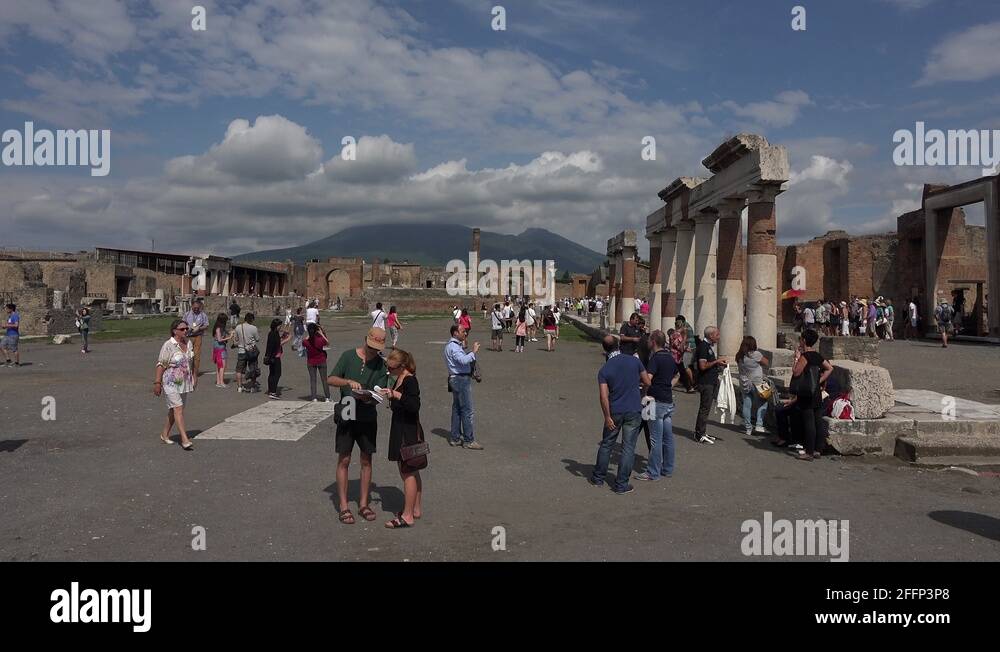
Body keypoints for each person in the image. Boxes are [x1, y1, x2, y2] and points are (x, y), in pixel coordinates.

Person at [328, 327, 389, 524]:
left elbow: (379, 393)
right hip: (347, 409)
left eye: (377, 348)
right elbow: (331, 379)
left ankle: (363, 503)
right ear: (365, 340)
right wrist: (348, 382)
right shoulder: (348, 356)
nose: (373, 351)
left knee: (366, 460)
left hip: (367, 413)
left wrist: (374, 397)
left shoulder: (381, 365)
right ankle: (344, 505)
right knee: (344, 458)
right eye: (371, 346)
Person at [590, 335, 651, 494]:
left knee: (607, 443)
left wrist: (607, 416)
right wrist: (635, 384)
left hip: (615, 410)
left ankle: (598, 477)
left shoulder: (605, 369)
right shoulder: (634, 361)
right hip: (633, 408)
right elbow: (647, 381)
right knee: (628, 447)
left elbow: (603, 396)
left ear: (605, 349)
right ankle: (621, 484)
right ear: (619, 345)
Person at [381, 348, 424, 529]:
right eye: (388, 368)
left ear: (403, 366)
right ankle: (415, 509)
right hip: (402, 427)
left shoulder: (410, 380)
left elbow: (414, 406)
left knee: (407, 472)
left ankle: (407, 516)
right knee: (412, 470)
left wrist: (396, 395)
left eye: (392, 368)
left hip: (407, 430)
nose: (389, 371)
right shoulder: (399, 377)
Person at [635, 330, 676, 481]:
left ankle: (653, 472)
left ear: (653, 342)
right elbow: (677, 375)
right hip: (667, 399)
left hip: (654, 401)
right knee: (668, 437)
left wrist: (643, 393)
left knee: (655, 439)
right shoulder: (670, 357)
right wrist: (668, 386)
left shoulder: (655, 358)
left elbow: (648, 380)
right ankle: (668, 468)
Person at [787, 329, 834, 461]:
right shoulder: (817, 356)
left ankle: (809, 451)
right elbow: (830, 368)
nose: (800, 341)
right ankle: (818, 449)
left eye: (801, 339)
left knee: (809, 422)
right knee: (818, 420)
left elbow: (796, 372)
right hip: (816, 392)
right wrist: (819, 380)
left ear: (804, 341)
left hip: (806, 392)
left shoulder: (804, 357)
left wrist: (796, 357)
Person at [153, 319, 195, 450]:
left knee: (174, 409)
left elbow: (191, 361)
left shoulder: (189, 343)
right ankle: (184, 439)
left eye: (186, 328)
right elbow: (161, 364)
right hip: (170, 381)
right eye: (182, 329)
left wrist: (194, 376)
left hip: (184, 382)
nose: (185, 331)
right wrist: (157, 383)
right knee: (178, 408)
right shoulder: (168, 345)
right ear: (174, 331)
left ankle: (164, 434)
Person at [444, 324, 483, 449]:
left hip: (456, 379)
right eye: (462, 331)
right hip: (460, 379)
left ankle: (455, 438)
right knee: (467, 410)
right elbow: (463, 360)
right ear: (455, 333)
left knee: (457, 409)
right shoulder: (453, 347)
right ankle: (468, 440)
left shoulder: (453, 346)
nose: (465, 333)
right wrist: (474, 352)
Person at [693, 326, 727, 445]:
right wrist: (716, 361)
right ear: (711, 335)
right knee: (704, 408)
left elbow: (708, 364)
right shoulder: (703, 347)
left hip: (710, 381)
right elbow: (702, 366)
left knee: (706, 408)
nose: (719, 337)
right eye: (717, 335)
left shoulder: (708, 347)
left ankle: (702, 431)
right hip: (706, 382)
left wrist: (718, 365)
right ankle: (699, 434)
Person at [736, 336, 770, 436]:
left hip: (745, 383)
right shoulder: (755, 354)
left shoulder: (739, 355)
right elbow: (766, 362)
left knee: (747, 405)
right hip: (757, 382)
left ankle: (748, 428)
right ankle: (759, 424)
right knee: (763, 402)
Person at [183, 299, 210, 386]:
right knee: (187, 354)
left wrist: (200, 328)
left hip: (198, 336)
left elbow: (207, 325)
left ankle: (195, 372)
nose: (196, 309)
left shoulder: (203, 315)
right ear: (192, 307)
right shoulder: (187, 314)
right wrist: (188, 328)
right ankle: (187, 370)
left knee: (196, 355)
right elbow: (182, 324)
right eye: (194, 308)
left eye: (197, 308)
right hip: (188, 337)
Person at [302, 323, 331, 401]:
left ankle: (314, 397)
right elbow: (327, 342)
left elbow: (304, 340)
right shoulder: (320, 340)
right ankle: (327, 397)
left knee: (313, 380)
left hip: (311, 362)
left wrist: (310, 334)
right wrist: (321, 333)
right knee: (324, 379)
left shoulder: (306, 342)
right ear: (316, 331)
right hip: (321, 360)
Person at [264, 318, 291, 399]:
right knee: (277, 374)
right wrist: (287, 340)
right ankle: (273, 391)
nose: (280, 327)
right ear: (276, 326)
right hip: (275, 357)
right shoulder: (273, 334)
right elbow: (277, 345)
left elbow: (277, 341)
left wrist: (283, 336)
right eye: (280, 326)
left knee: (272, 374)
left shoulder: (273, 333)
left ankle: (271, 389)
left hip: (273, 356)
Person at [233, 313, 260, 393]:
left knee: (239, 370)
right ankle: (252, 386)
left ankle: (239, 387)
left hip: (241, 350)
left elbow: (236, 339)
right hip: (251, 351)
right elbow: (257, 339)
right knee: (253, 368)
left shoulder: (238, 327)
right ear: (251, 319)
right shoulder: (254, 328)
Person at [211, 313, 234, 387]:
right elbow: (219, 339)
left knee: (219, 365)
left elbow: (228, 332)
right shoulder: (218, 328)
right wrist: (229, 338)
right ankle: (221, 382)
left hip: (220, 347)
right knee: (222, 365)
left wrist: (232, 332)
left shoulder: (222, 328)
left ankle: (218, 382)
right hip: (219, 348)